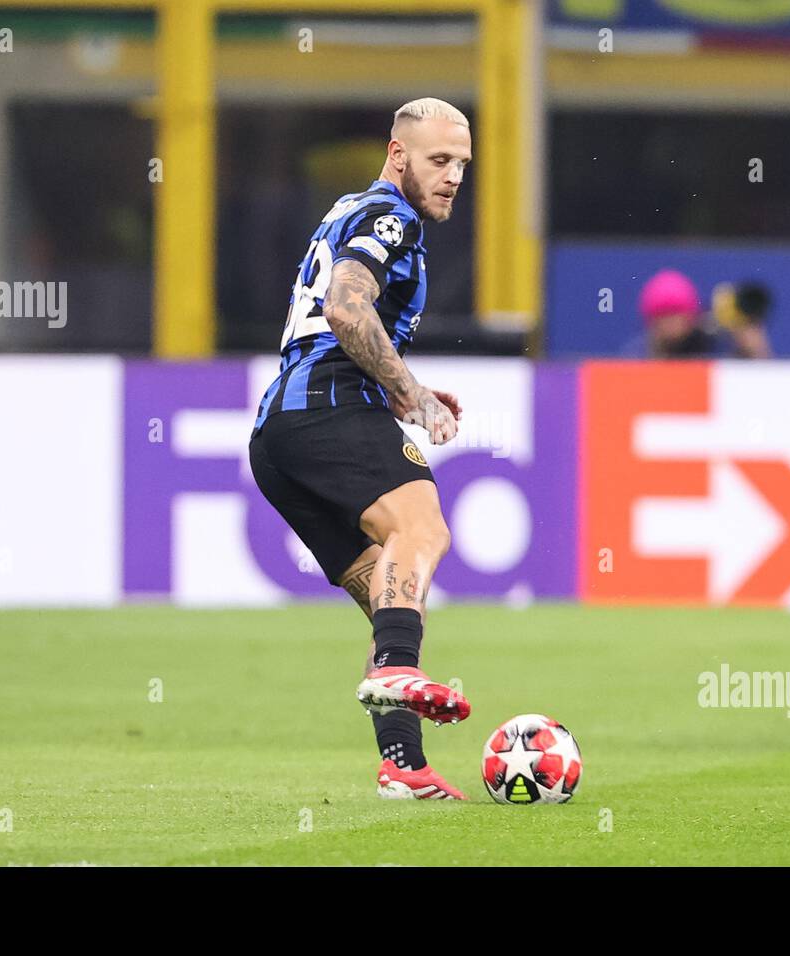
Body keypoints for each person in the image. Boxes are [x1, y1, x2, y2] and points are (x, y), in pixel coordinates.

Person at [248, 98, 473, 800]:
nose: (454, 176)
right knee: (423, 528)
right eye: (439, 160)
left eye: (463, 164)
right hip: (330, 407)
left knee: (391, 595)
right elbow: (347, 309)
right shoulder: (391, 215)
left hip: (278, 435)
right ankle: (392, 674)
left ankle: (402, 766)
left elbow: (327, 320)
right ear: (397, 153)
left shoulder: (350, 209)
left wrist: (405, 388)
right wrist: (411, 392)